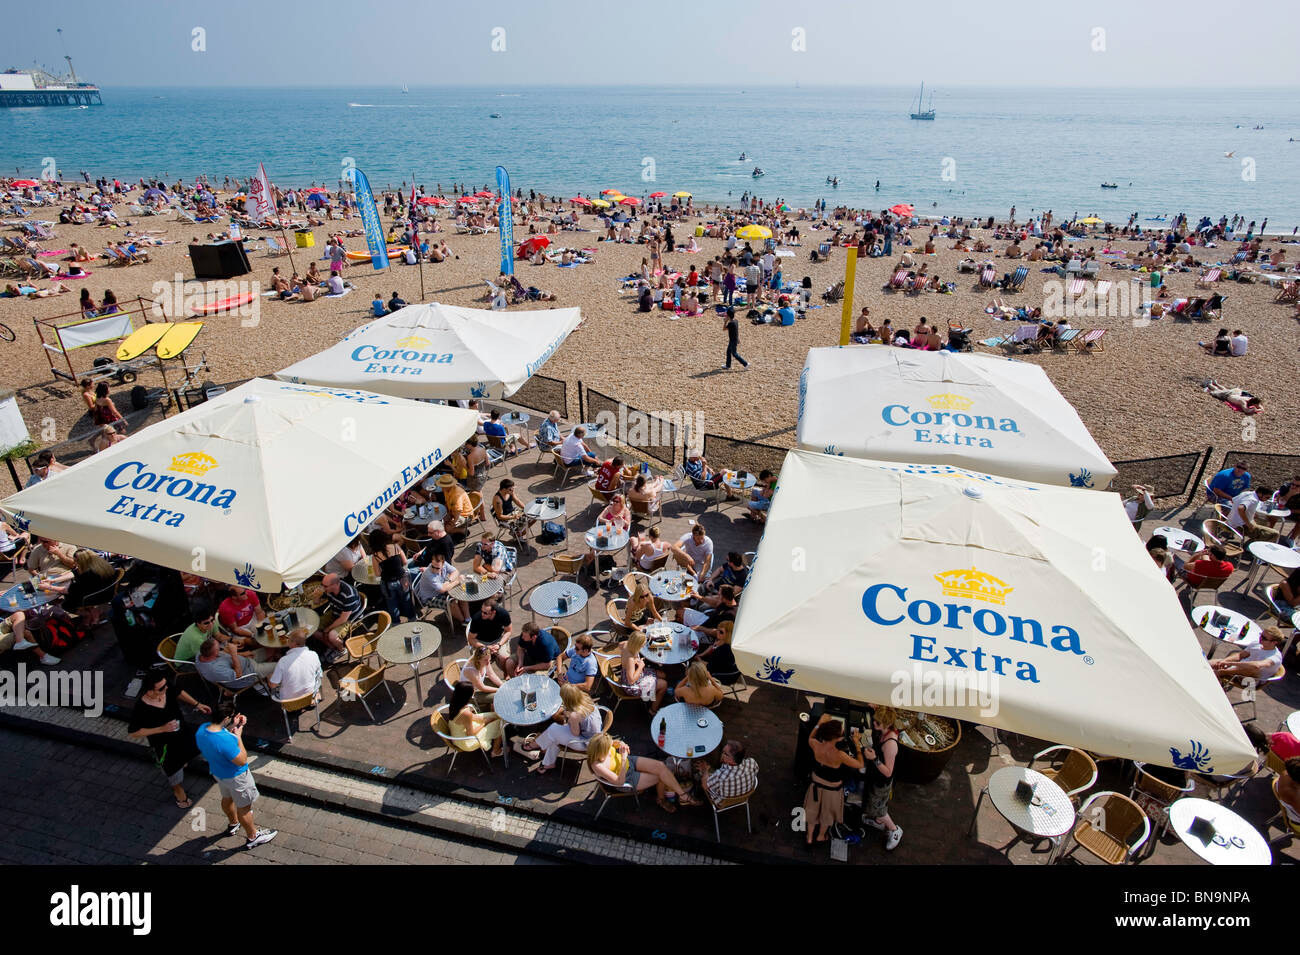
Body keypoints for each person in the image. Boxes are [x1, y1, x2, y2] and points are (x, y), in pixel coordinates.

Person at [127, 667, 211, 808]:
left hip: (183, 734)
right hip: (165, 746)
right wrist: (161, 729)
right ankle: (178, 791)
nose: (166, 688)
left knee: (194, 749)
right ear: (149, 691)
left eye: (166, 685)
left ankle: (185, 761)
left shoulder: (165, 687)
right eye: (161, 689)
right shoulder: (142, 708)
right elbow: (134, 733)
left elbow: (178, 691)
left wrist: (197, 704)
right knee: (173, 771)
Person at [194, 710, 277, 848]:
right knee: (244, 808)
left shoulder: (202, 729)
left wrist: (233, 724)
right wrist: (238, 737)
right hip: (237, 777)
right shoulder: (225, 740)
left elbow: (216, 741)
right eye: (232, 716)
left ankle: (233, 823)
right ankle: (253, 836)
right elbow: (242, 760)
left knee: (227, 798)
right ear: (226, 718)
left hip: (219, 773)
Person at [586, 733, 698, 813]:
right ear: (599, 751)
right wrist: (624, 758)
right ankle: (661, 799)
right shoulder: (598, 766)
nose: (609, 751)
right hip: (626, 778)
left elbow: (615, 743)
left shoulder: (602, 743)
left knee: (661, 767)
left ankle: (682, 795)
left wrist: (622, 743)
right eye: (607, 750)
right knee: (661, 776)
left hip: (629, 762)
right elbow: (619, 781)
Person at [802, 714, 865, 844]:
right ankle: (820, 836)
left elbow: (810, 737)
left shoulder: (815, 744)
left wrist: (819, 723)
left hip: (815, 784)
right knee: (827, 815)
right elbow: (860, 765)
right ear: (836, 739)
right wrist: (858, 745)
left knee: (812, 812)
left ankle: (809, 837)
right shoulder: (840, 755)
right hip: (832, 790)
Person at [519, 684, 603, 772]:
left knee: (553, 730)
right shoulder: (585, 698)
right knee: (554, 734)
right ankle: (548, 763)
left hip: (587, 744)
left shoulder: (575, 715)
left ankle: (535, 745)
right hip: (595, 737)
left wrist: (569, 718)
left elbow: (575, 733)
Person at [861, 705, 904, 850]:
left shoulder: (890, 745)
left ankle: (894, 829)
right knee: (876, 803)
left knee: (879, 807)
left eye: (877, 723)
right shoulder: (886, 730)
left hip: (882, 781)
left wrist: (874, 758)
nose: (874, 724)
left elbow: (888, 772)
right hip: (877, 778)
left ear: (886, 725)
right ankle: (879, 821)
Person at [442, 679, 503, 758]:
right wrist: (485, 722)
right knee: (500, 724)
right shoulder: (465, 713)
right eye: (473, 690)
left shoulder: (456, 702)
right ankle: (495, 751)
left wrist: (490, 717)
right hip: (466, 740)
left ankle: (496, 737)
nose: (475, 690)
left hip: (459, 731)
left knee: (497, 716)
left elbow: (472, 717)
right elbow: (470, 733)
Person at [369, 528, 415, 623]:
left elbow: (377, 574)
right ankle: (411, 618)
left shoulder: (376, 556)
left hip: (388, 582)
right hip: (402, 579)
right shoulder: (395, 547)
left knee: (391, 604)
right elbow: (405, 561)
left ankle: (396, 623)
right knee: (406, 600)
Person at [615, 630, 668, 713]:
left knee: (663, 675)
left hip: (635, 673)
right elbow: (631, 681)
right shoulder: (630, 659)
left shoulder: (626, 644)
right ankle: (653, 710)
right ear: (637, 645)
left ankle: (652, 695)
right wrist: (640, 667)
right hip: (633, 686)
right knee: (664, 684)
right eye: (643, 644)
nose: (644, 646)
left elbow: (619, 645)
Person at [412, 551, 470, 624]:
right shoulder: (429, 574)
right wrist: (457, 581)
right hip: (430, 598)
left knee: (461, 592)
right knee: (451, 602)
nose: (434, 569)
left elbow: (455, 571)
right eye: (432, 566)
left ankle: (468, 618)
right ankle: (463, 621)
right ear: (431, 563)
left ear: (443, 565)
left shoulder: (444, 564)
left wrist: (449, 581)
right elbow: (442, 590)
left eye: (437, 568)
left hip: (440, 588)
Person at [695, 740, 759, 804]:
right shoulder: (751, 762)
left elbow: (705, 786)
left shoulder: (720, 776)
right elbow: (755, 772)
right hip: (744, 796)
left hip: (724, 802)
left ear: (731, 759)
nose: (722, 754)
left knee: (701, 777)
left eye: (724, 753)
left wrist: (705, 770)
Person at [1211, 626, 1285, 682]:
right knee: (1210, 663)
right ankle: (1220, 672)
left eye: (1264, 638)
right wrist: (1224, 661)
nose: (1260, 638)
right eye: (1261, 635)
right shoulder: (1257, 643)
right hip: (1238, 668)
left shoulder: (1275, 657)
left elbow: (1256, 666)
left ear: (1274, 643)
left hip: (1252, 679)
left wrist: (1229, 665)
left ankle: (1221, 673)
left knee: (1253, 668)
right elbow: (1240, 655)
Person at [267, 628, 322, 703]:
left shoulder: (283, 661)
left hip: (289, 701)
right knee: (318, 669)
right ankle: (317, 694)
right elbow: (319, 674)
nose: (287, 641)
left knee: (270, 677)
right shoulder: (314, 654)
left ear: (294, 644)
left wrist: (269, 678)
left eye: (288, 640)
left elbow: (273, 685)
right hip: (310, 695)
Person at [317, 573, 361, 662]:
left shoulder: (348, 595)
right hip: (335, 612)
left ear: (335, 585)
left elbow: (343, 619)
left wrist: (328, 629)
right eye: (322, 585)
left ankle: (341, 649)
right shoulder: (328, 590)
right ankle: (332, 647)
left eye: (325, 586)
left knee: (332, 635)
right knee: (313, 628)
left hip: (350, 619)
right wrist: (316, 596)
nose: (323, 588)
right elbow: (316, 603)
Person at [467, 598, 512, 672]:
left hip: (498, 640)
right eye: (482, 611)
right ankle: (482, 676)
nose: (482, 614)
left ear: (493, 612)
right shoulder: (477, 618)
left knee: (505, 659)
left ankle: (506, 674)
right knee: (480, 662)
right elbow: (471, 639)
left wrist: (499, 645)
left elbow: (509, 631)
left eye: (485, 613)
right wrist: (485, 647)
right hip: (482, 642)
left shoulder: (503, 614)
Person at [724, 306, 749, 370]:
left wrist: (725, 322)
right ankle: (728, 365)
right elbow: (736, 330)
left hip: (733, 340)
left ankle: (745, 363)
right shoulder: (736, 321)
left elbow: (724, 329)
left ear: (728, 316)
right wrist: (738, 338)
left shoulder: (730, 323)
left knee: (734, 354)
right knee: (728, 352)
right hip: (734, 339)